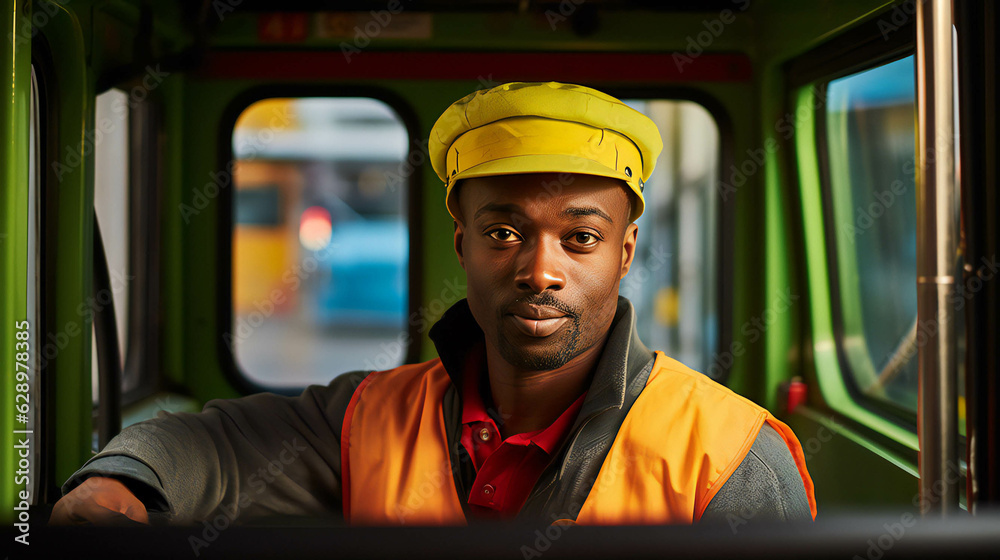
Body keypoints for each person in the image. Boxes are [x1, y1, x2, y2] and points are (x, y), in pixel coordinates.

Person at [51, 81, 816, 527]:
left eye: (580, 238)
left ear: (625, 251)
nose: (539, 271)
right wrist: (119, 482)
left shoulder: (730, 459)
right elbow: (214, 447)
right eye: (504, 232)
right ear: (463, 246)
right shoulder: (368, 418)